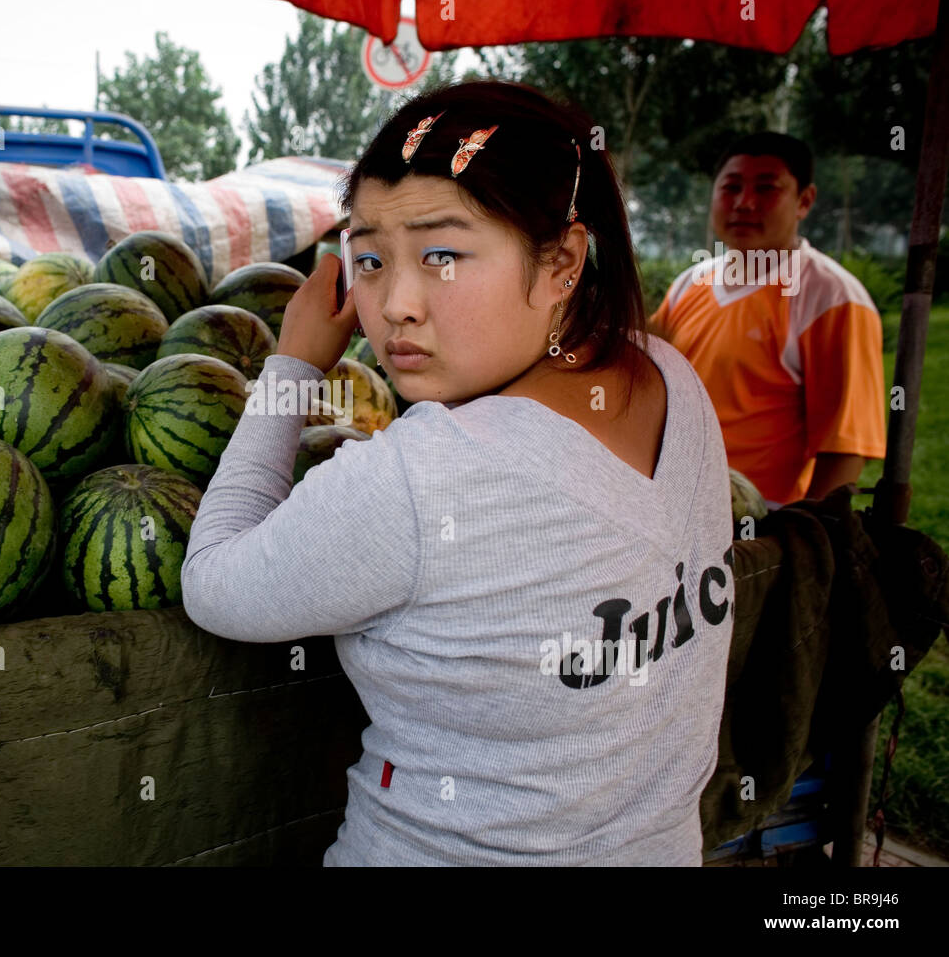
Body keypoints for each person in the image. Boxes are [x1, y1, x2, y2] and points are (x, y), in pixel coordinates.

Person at [180, 80, 734, 866]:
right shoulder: (671, 376)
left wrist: (293, 367)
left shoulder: (421, 477)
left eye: (443, 254)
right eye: (367, 257)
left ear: (562, 263)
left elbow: (212, 582)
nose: (397, 303)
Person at [648, 132, 887, 506]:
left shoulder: (830, 298)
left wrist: (801, 539)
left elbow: (843, 448)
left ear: (804, 201)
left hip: (757, 523)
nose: (744, 203)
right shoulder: (690, 284)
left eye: (765, 189)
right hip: (667, 502)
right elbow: (640, 365)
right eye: (731, 188)